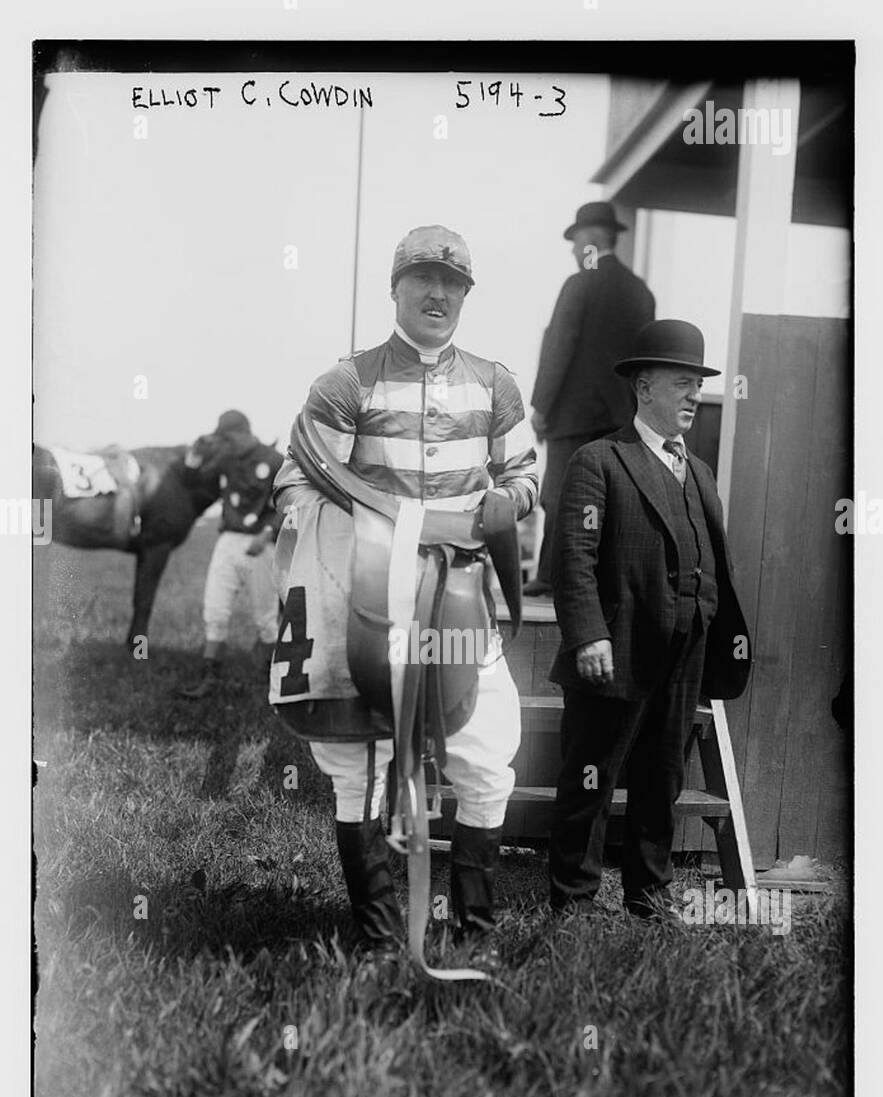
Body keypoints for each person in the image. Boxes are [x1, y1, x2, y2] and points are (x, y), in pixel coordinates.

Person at [270, 225, 537, 941]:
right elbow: (297, 479)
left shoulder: (494, 383)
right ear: (395, 289)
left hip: (456, 598)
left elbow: (523, 473)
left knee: (483, 756)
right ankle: (379, 936)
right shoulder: (345, 381)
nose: (437, 293)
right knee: (360, 764)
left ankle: (474, 927)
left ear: (465, 295)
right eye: (422, 279)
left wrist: (509, 502)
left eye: (452, 284)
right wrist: (344, 539)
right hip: (369, 600)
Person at [547, 320, 752, 918]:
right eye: (683, 383)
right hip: (615, 651)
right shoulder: (601, 460)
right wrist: (588, 634)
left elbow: (714, 558)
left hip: (684, 653)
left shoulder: (702, 472)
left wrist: (710, 623)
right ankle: (575, 901)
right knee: (591, 780)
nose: (695, 396)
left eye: (698, 384)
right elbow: (573, 559)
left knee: (662, 783)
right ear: (643, 388)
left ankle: (648, 894)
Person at [526, 201, 655, 596]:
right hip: (620, 417)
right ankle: (596, 585)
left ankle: (550, 576)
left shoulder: (579, 284)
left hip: (571, 416)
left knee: (560, 494)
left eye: (576, 240)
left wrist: (541, 406)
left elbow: (559, 347)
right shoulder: (641, 293)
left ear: (592, 239)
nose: (572, 250)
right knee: (606, 499)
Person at [178, 410, 281, 699]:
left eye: (230, 438)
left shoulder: (273, 461)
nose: (228, 444)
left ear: (244, 432)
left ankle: (272, 680)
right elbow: (192, 481)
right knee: (215, 609)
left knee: (265, 617)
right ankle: (210, 677)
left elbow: (288, 503)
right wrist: (194, 456)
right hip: (228, 540)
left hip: (261, 545)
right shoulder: (226, 458)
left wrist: (268, 533)